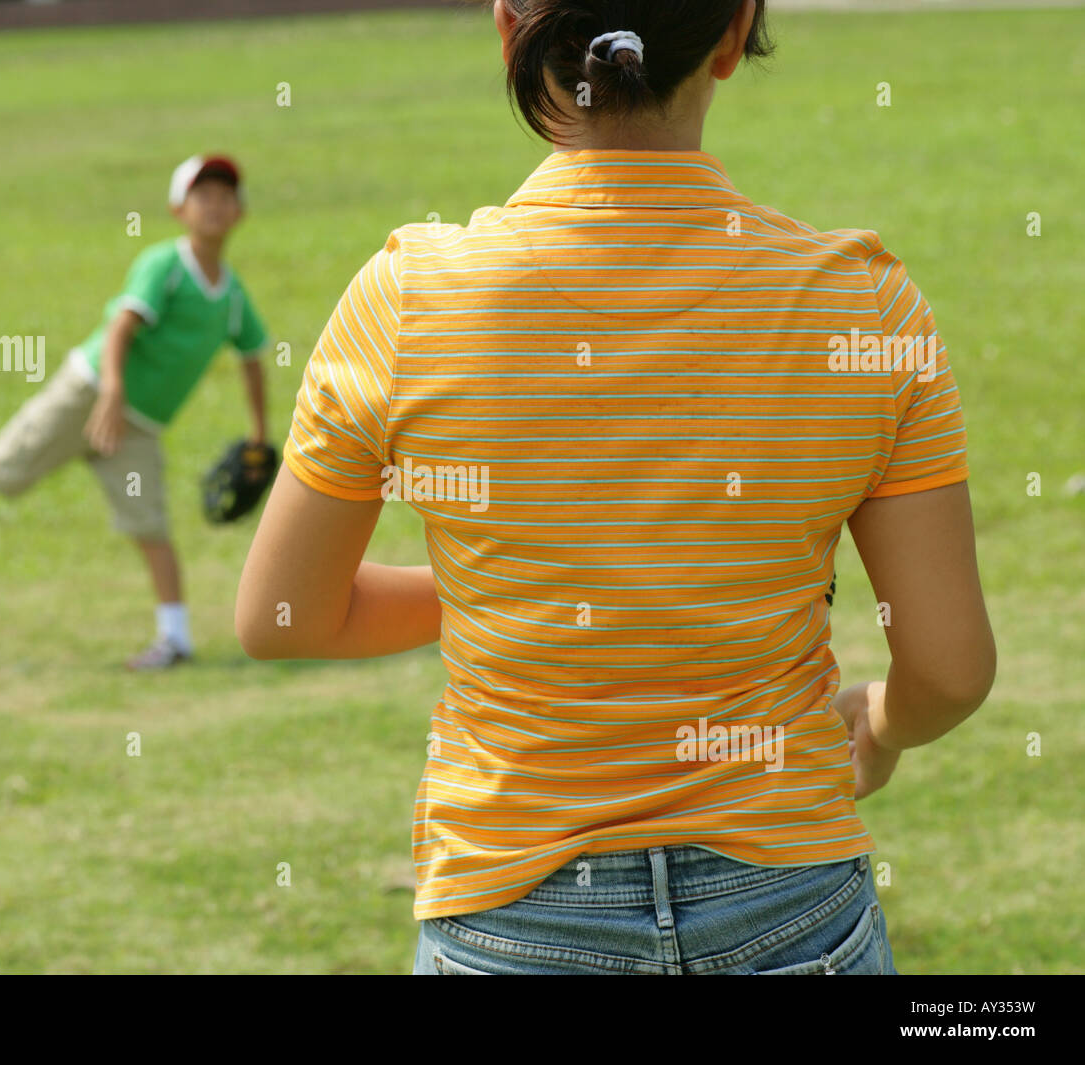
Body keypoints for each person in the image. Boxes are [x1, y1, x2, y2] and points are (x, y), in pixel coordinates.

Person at [234, 0, 996, 974]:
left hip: (511, 912)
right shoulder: (863, 303)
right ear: (733, 34)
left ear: (512, 30)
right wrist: (881, 725)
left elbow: (284, 616)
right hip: (788, 899)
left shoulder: (407, 298)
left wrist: (512, 596)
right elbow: (949, 669)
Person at [0, 154, 271, 670]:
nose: (215, 206)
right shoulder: (165, 266)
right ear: (177, 208)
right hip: (88, 393)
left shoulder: (231, 296)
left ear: (241, 212)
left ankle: (175, 640)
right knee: (3, 468)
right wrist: (111, 393)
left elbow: (252, 356)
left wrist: (259, 435)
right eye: (202, 195)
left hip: (136, 427)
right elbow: (122, 327)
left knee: (150, 523)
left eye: (225, 197)